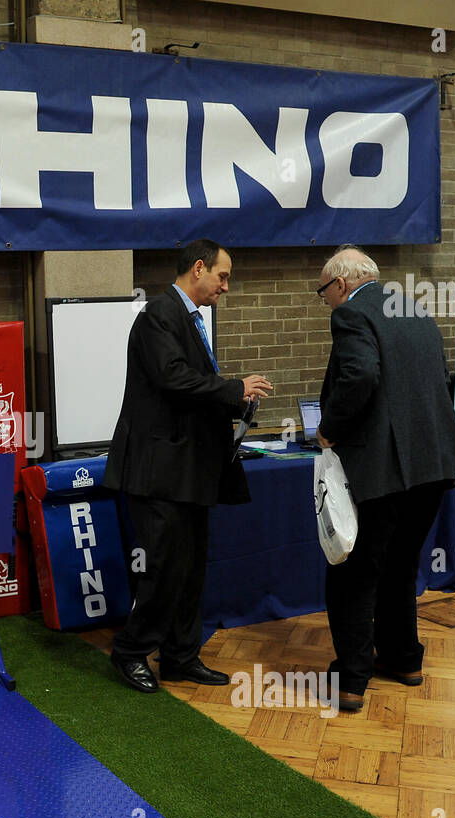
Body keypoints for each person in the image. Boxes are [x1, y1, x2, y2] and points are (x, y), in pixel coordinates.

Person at [103, 239, 273, 693]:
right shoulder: (160, 314)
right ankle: (130, 651)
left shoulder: (188, 319)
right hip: (159, 471)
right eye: (222, 276)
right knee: (164, 567)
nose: (226, 287)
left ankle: (180, 656)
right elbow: (174, 379)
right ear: (198, 269)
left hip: (188, 470)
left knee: (191, 566)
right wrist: (233, 388)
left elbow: (188, 391)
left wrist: (235, 400)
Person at [314, 246, 455, 713]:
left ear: (341, 284)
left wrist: (329, 429)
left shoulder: (352, 315)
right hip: (433, 465)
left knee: (356, 572)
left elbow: (360, 376)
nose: (326, 302)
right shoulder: (415, 310)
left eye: (324, 292)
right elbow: (441, 382)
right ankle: (405, 661)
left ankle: (352, 681)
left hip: (384, 470)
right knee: (402, 566)